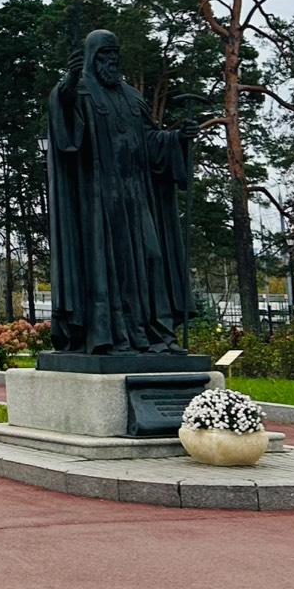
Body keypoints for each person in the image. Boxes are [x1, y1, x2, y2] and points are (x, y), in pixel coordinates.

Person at [46, 28, 190, 355]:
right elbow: (67, 135)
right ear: (93, 58)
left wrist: (177, 139)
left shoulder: (131, 96)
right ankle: (112, 335)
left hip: (136, 195)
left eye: (115, 56)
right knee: (111, 268)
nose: (111, 62)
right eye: (104, 56)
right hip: (100, 201)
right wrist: (67, 85)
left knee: (153, 257)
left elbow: (151, 142)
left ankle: (158, 335)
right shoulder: (80, 91)